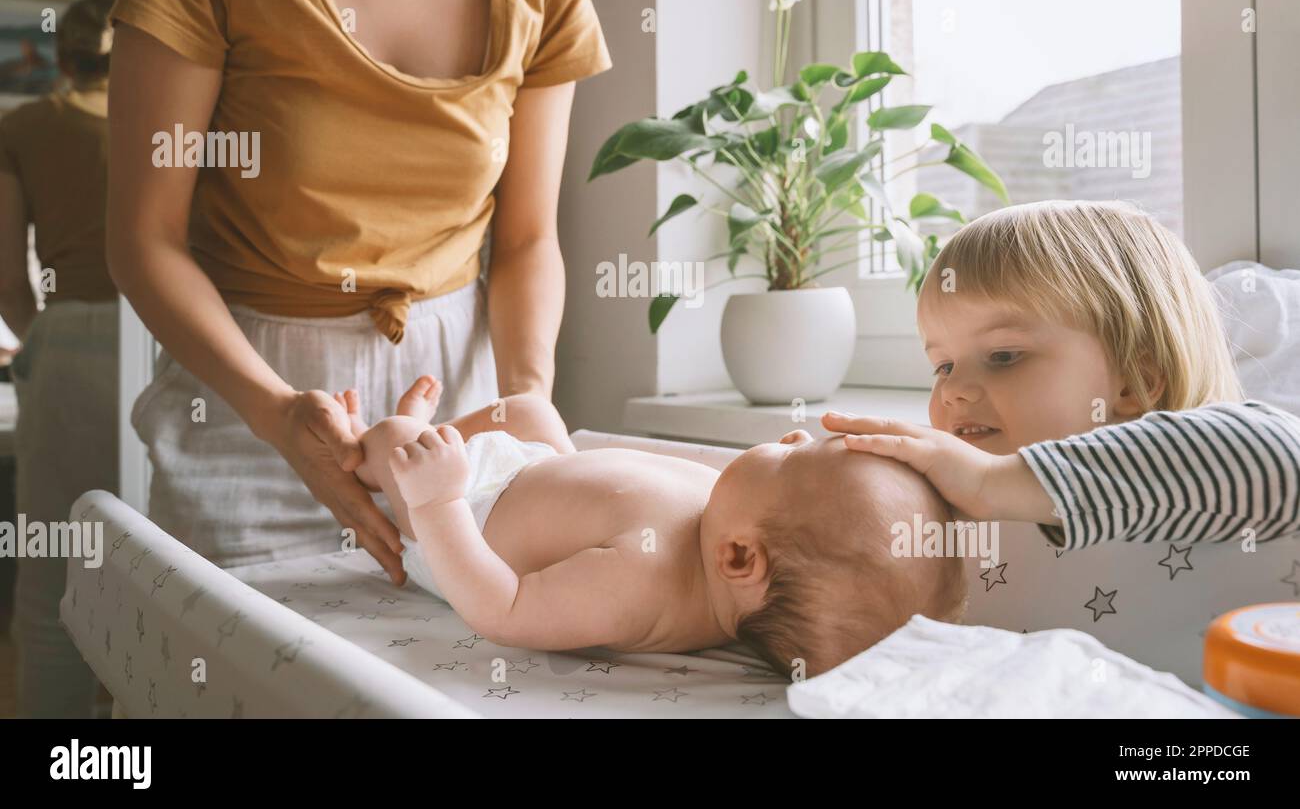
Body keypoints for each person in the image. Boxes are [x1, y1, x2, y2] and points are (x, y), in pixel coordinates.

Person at [106, 0, 611, 580]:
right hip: (250, 404)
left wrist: (524, 403)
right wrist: (278, 413)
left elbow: (529, 238)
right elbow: (144, 240)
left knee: (445, 681)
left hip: (451, 411)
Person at [334, 377, 966, 679]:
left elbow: (504, 608)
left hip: (473, 519)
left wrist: (438, 501)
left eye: (794, 456)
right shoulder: (731, 516)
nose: (795, 434)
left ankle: (368, 447)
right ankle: (433, 433)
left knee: (394, 443)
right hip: (538, 472)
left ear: (741, 557)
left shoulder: (642, 584)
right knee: (528, 408)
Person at [824, 200, 1300, 550]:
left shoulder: (1220, 489)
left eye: (1004, 356)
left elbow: (1283, 456)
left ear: (1134, 382)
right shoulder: (958, 497)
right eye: (943, 365)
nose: (952, 390)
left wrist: (992, 481)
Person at [0, 0, 119, 717]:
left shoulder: (23, 126)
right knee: (188, 573)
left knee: (55, 581)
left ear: (61, 56)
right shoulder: (180, 122)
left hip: (75, 342)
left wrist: (46, 337)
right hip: (185, 341)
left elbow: (10, 282)